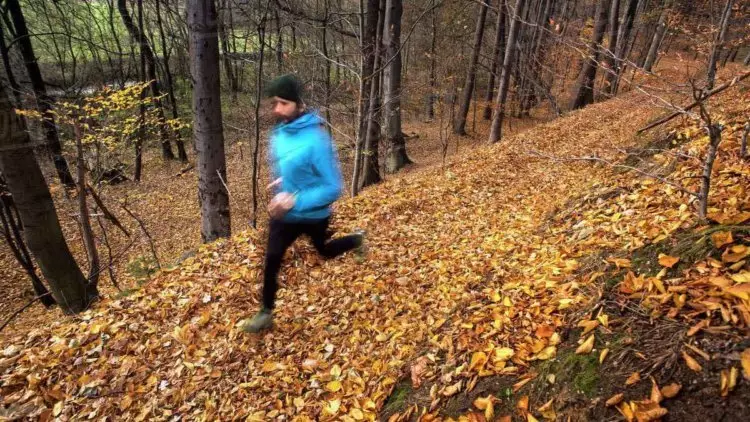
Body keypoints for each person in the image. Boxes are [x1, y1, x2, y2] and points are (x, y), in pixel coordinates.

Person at [239, 74, 365, 333]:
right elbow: (296, 167)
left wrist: (294, 198)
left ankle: (357, 240)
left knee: (324, 251)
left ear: (298, 104)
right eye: (275, 102)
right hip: (285, 215)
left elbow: (332, 186)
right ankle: (265, 313)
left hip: (314, 214)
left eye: (283, 103)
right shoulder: (280, 134)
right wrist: (284, 182)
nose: (277, 109)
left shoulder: (317, 139)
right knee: (272, 258)